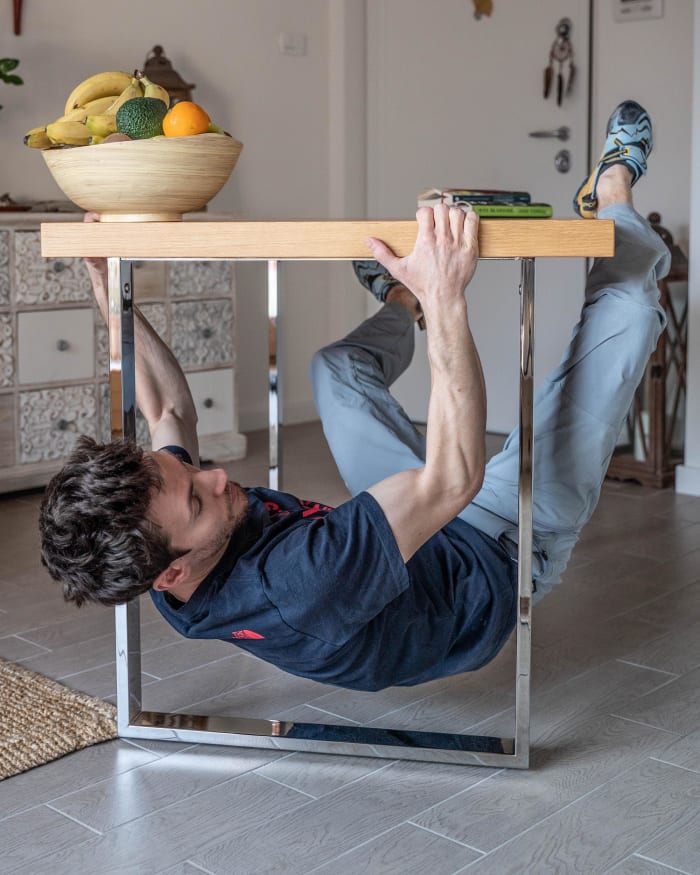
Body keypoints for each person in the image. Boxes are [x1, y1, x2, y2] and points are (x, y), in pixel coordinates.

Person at [39, 100, 669, 692]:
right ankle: (613, 192)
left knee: (337, 369)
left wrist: (106, 281)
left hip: (407, 529)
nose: (216, 476)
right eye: (199, 503)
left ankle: (403, 301)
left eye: (182, 469)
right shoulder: (302, 582)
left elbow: (166, 410)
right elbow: (455, 479)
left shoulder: (147, 546)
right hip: (492, 549)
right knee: (632, 312)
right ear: (170, 573)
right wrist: (448, 296)